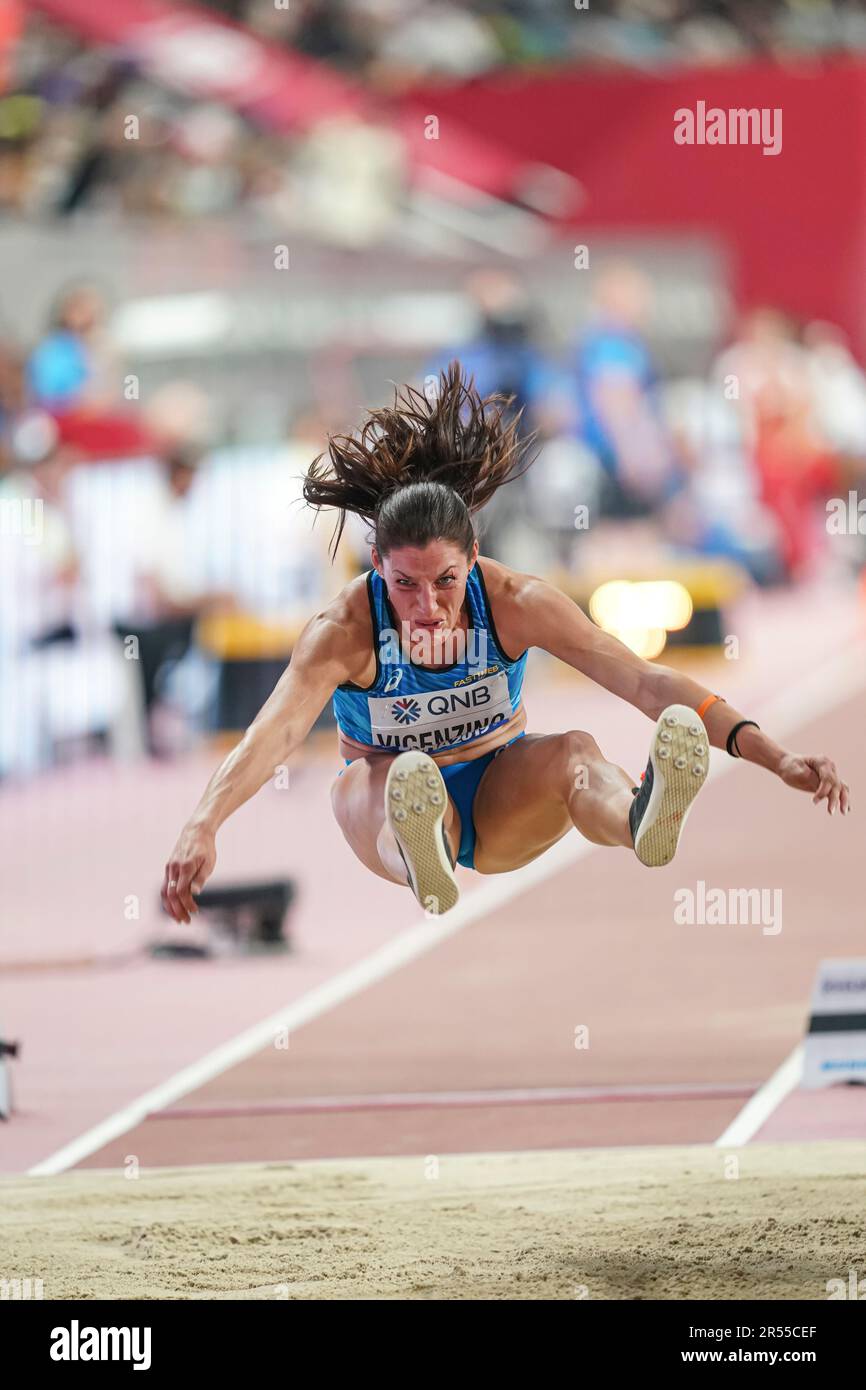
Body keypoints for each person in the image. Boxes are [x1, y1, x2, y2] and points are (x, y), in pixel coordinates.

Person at [161, 363, 851, 924]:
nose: (426, 606)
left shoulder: (516, 602)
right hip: (382, 802)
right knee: (391, 779)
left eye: (445, 582)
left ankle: (638, 818)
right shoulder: (346, 631)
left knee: (577, 751)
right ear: (378, 567)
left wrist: (774, 754)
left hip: (498, 792)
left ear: (475, 558)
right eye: (405, 584)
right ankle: (422, 851)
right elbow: (273, 734)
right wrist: (203, 824)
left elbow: (646, 682)